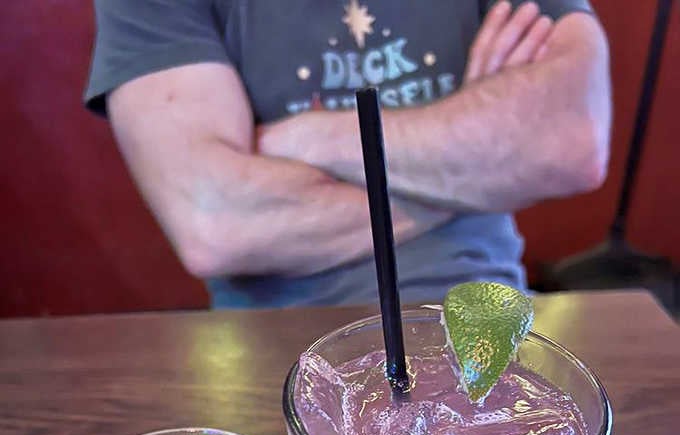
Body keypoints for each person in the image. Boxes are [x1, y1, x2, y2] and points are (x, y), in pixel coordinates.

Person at [85, 1, 611, 308]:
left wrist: (313, 138)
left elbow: (572, 140)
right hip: (274, 343)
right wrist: (483, 165)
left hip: (480, 318)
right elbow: (214, 224)